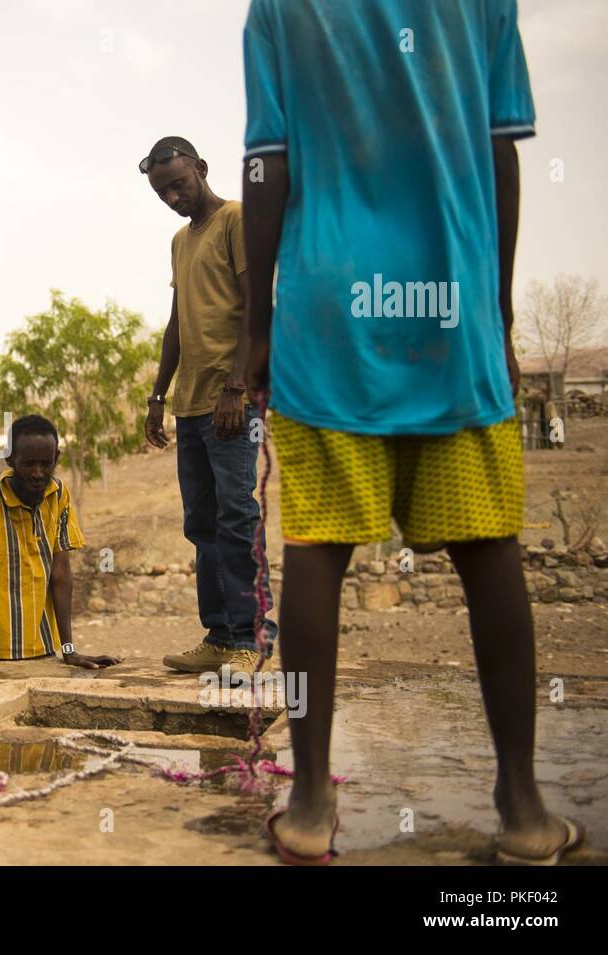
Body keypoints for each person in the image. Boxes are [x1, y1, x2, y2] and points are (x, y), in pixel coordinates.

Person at [241, 0, 584, 864]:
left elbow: (264, 167)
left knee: (315, 549)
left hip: (326, 309)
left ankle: (311, 801)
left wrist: (257, 328)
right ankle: (524, 804)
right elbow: (503, 151)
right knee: (489, 545)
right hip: (454, 308)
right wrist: (497, 311)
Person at [141, 136, 277, 678]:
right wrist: (157, 396)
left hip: (230, 400)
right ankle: (220, 635)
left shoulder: (237, 220)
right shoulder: (180, 240)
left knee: (237, 515)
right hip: (190, 401)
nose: (173, 196)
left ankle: (252, 637)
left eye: (179, 183)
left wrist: (237, 389)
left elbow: (255, 309)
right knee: (202, 523)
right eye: (162, 191)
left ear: (200, 168)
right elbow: (177, 323)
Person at [0, 415, 122, 669]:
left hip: (41, 651)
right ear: (10, 459)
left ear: (56, 459)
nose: (38, 473)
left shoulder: (59, 495)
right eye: (28, 464)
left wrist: (69, 650)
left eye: (46, 464)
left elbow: (61, 574)